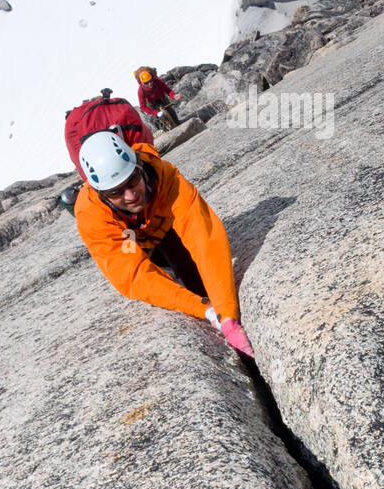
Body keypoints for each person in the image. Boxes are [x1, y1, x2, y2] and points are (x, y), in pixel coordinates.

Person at [74, 129, 254, 356]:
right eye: (116, 192)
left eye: (132, 181)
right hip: (129, 238)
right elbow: (134, 275)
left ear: (139, 166)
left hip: (162, 226)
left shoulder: (165, 177)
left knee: (189, 269)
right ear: (100, 194)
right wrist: (204, 310)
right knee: (158, 278)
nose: (130, 195)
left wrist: (226, 313)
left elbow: (204, 239)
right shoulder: (92, 214)